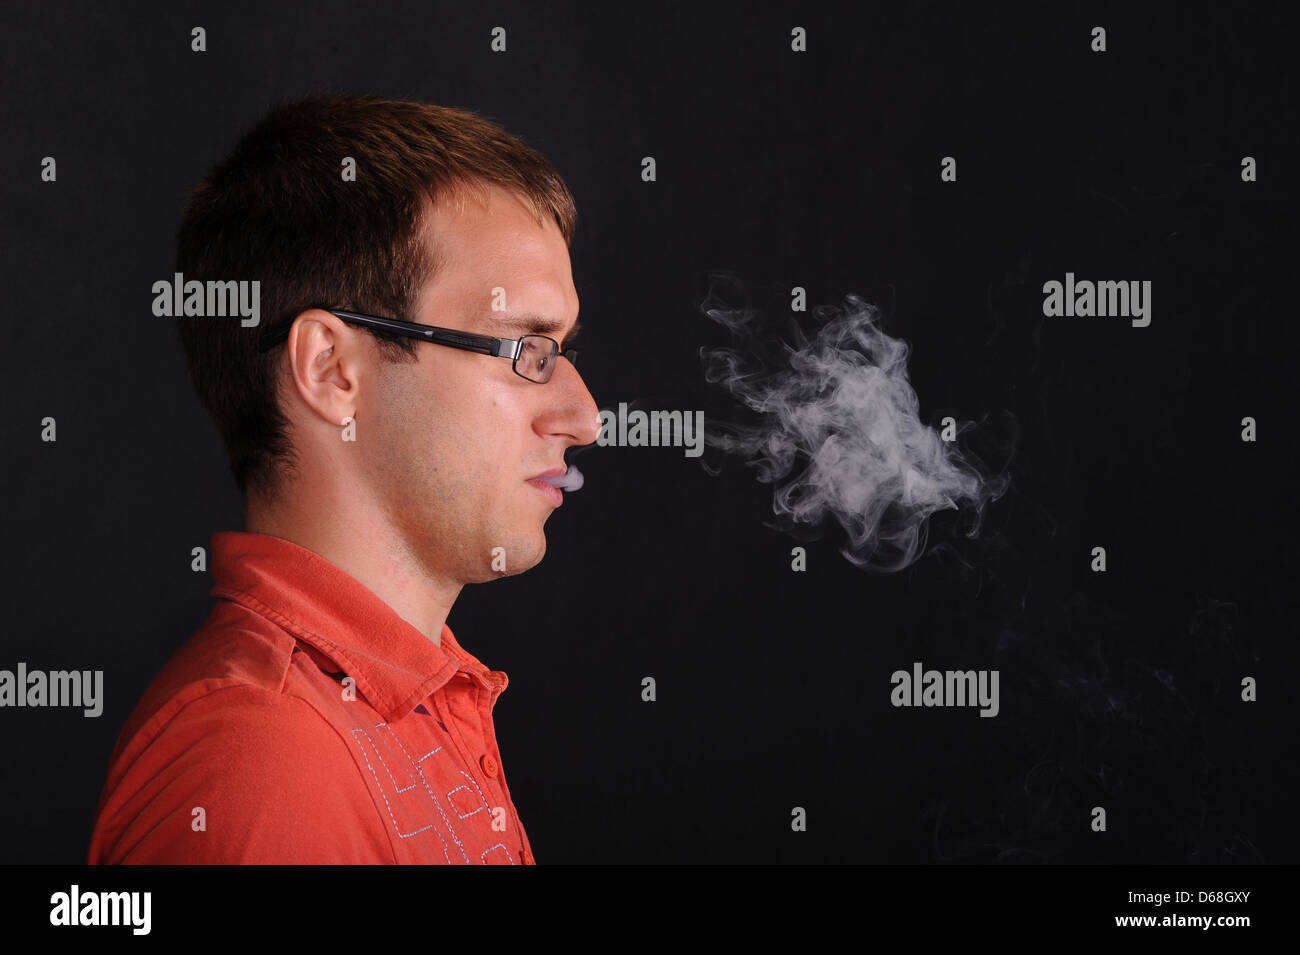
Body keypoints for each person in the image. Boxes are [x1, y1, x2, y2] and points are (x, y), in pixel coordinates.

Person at [86, 94, 600, 864]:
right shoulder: (263, 764)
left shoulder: (410, 703)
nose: (584, 414)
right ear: (331, 369)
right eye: (527, 347)